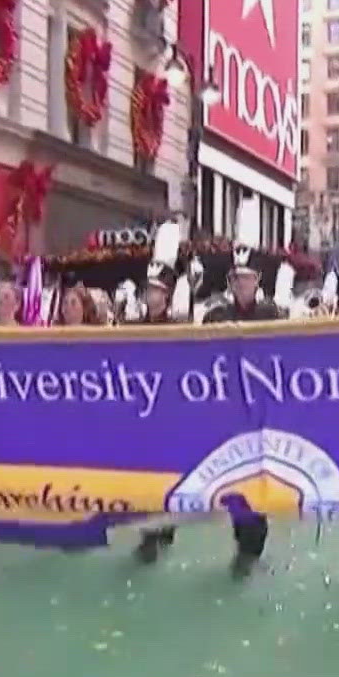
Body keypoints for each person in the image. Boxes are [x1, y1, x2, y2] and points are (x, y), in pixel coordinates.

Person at [202, 199, 283, 581]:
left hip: (261, 410)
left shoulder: (272, 316)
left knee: (259, 474)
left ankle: (254, 542)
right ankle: (242, 537)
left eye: (247, 278)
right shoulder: (218, 315)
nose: (242, 284)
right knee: (236, 476)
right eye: (237, 279)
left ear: (258, 282)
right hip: (230, 411)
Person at [131, 221, 185, 565]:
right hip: (139, 417)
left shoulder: (178, 329)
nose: (151, 296)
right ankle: (146, 532)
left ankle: (164, 531)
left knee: (167, 476)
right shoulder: (130, 328)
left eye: (157, 291)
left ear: (166, 295)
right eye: (148, 290)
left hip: (168, 416)